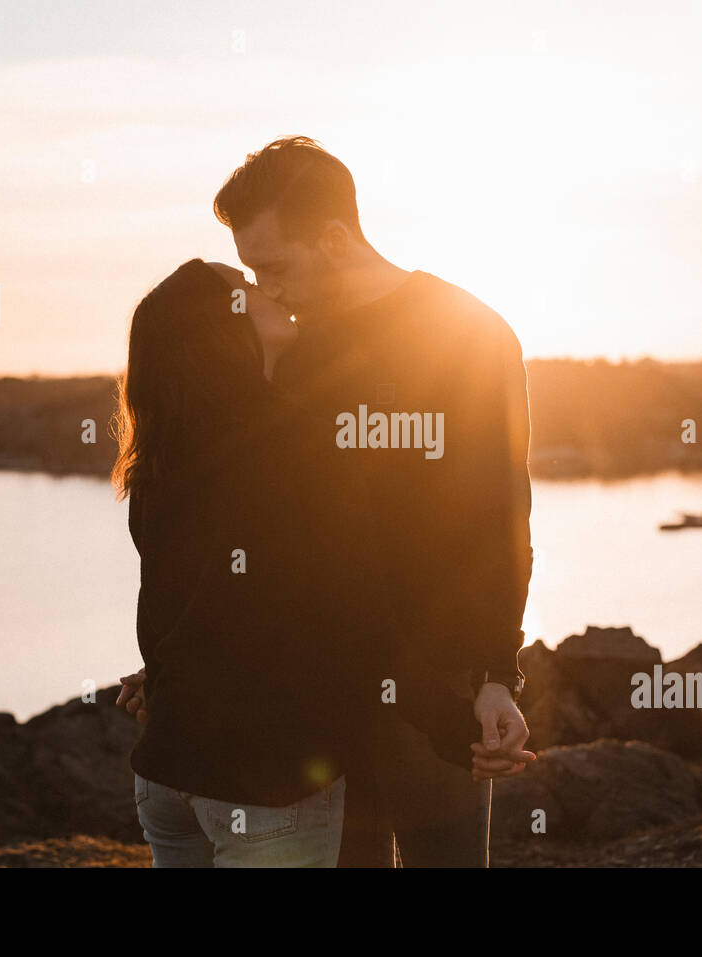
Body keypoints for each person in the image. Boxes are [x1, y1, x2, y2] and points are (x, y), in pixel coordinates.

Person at [212, 135, 537, 866]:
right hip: (313, 696)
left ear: (332, 238)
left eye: (276, 268)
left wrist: (495, 676)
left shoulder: (471, 335)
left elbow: (502, 515)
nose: (267, 291)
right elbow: (263, 529)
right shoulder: (288, 358)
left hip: (439, 692)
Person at [112, 257, 373, 866]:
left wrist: (167, 674)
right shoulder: (295, 449)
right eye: (248, 286)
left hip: (168, 772)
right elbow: (345, 606)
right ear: (220, 326)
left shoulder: (159, 468)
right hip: (265, 780)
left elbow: (207, 605)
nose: (269, 287)